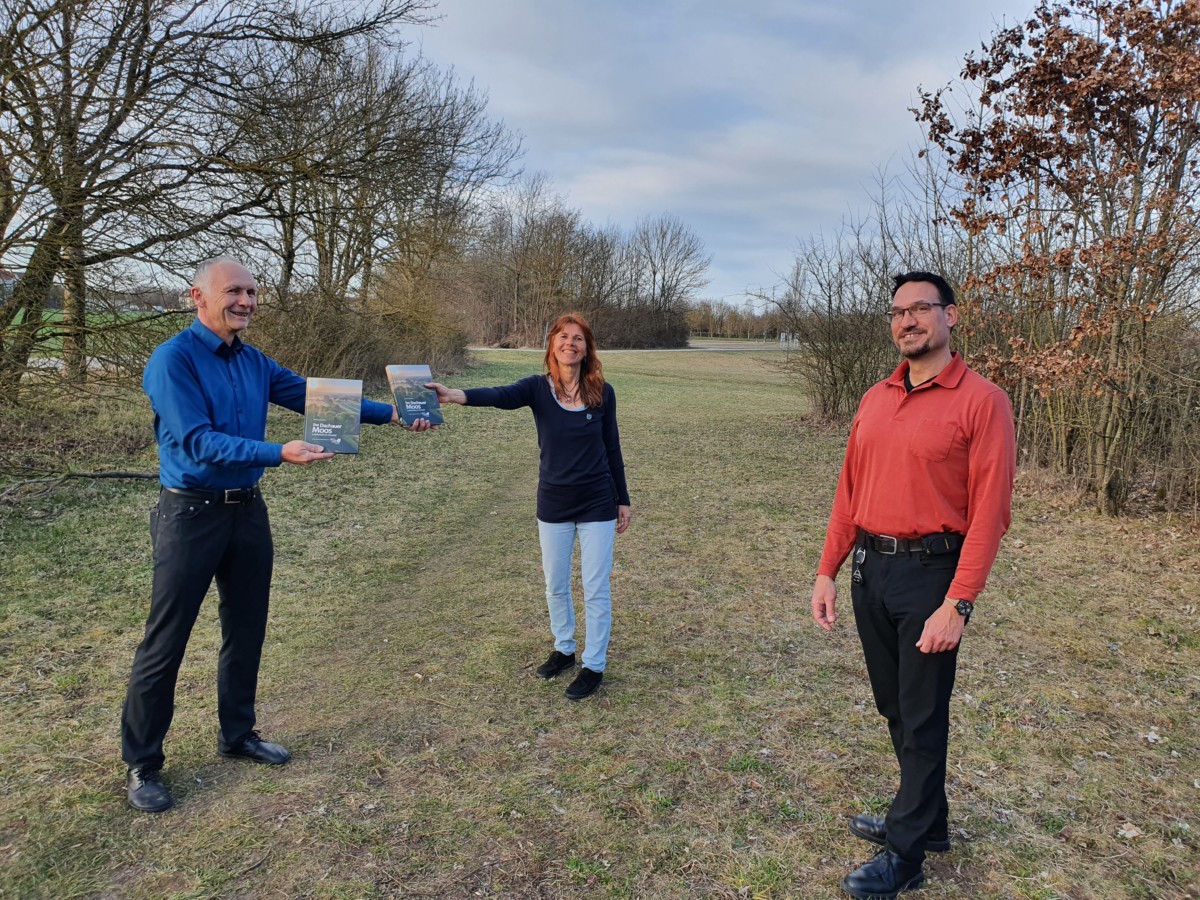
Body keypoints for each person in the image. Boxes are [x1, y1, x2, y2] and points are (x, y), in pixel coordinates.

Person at [122, 257, 427, 812]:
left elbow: (319, 398)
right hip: (190, 515)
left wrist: (396, 415)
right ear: (199, 297)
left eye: (253, 292)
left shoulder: (255, 361)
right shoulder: (173, 361)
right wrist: (277, 452)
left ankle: (237, 735)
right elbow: (198, 441)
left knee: (247, 628)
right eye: (233, 291)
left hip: (247, 513)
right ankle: (144, 763)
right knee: (165, 640)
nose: (246, 301)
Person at [810, 272, 1016, 899]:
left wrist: (959, 603)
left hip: (932, 575)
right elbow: (850, 491)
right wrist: (827, 570)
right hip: (872, 572)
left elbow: (990, 513)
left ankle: (907, 853)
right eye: (898, 312)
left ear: (952, 316)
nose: (907, 321)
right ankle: (929, 820)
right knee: (896, 706)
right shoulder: (875, 398)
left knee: (922, 715)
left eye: (921, 309)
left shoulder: (983, 401)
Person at [427, 313, 631, 701]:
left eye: (578, 339)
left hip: (597, 503)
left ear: (587, 349)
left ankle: (594, 665)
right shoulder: (538, 389)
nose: (570, 344)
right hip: (553, 501)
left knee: (595, 587)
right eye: (563, 337)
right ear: (552, 344)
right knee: (556, 585)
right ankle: (565, 649)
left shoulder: (603, 392)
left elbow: (613, 448)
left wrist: (623, 499)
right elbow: (501, 396)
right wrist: (456, 395)